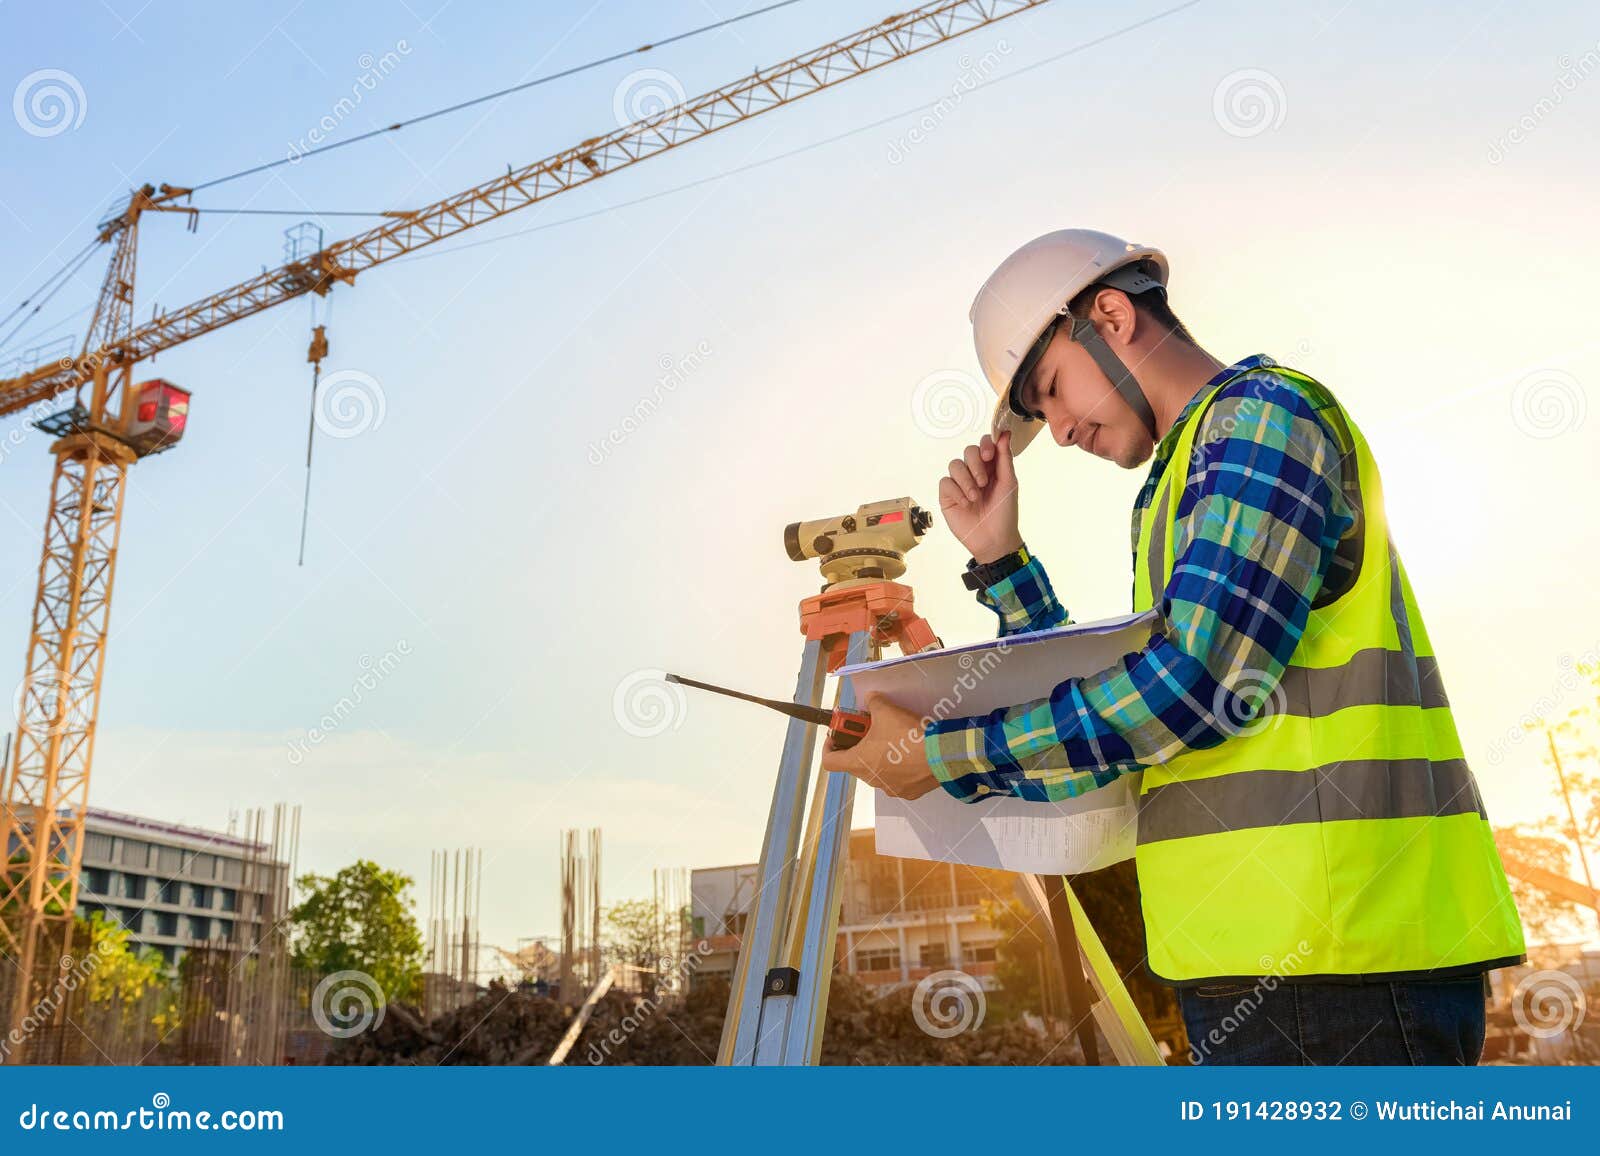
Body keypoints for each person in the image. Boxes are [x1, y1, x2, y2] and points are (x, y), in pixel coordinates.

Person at [820, 228, 1525, 1065]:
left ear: (1110, 316)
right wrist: (1002, 562)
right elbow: (1125, 711)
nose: (1059, 428)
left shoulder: (1262, 420)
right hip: (1266, 972)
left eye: (1051, 390)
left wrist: (940, 753)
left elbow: (1193, 686)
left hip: (1346, 970)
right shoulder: (1183, 477)